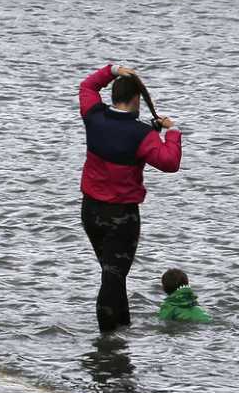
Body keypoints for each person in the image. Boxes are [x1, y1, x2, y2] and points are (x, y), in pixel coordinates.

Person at [78, 63, 182, 333]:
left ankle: (121, 332)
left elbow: (87, 86)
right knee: (113, 276)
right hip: (121, 216)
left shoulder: (94, 116)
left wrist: (112, 70)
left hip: (90, 211)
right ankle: (108, 341)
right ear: (137, 99)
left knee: (113, 274)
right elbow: (169, 162)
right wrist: (171, 132)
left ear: (113, 96)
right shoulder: (143, 135)